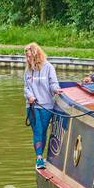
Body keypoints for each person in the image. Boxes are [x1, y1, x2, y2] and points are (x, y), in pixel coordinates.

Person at [24, 42, 61, 170]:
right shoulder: (28, 70)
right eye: (27, 57)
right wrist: (29, 96)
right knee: (38, 130)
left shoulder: (49, 67)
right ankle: (39, 157)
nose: (28, 59)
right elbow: (26, 87)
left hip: (47, 105)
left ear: (36, 55)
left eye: (30, 57)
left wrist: (56, 90)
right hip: (32, 105)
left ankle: (42, 156)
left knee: (43, 131)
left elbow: (53, 83)